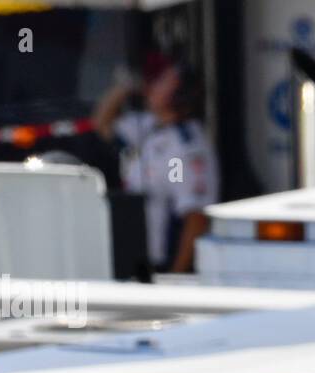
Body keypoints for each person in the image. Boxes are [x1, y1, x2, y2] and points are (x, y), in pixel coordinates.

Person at [91, 59, 219, 273]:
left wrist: (174, 279)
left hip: (162, 267)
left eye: (162, 81)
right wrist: (125, 88)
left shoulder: (183, 150)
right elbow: (102, 124)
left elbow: (195, 219)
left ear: (178, 95)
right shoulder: (150, 126)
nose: (152, 86)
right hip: (136, 259)